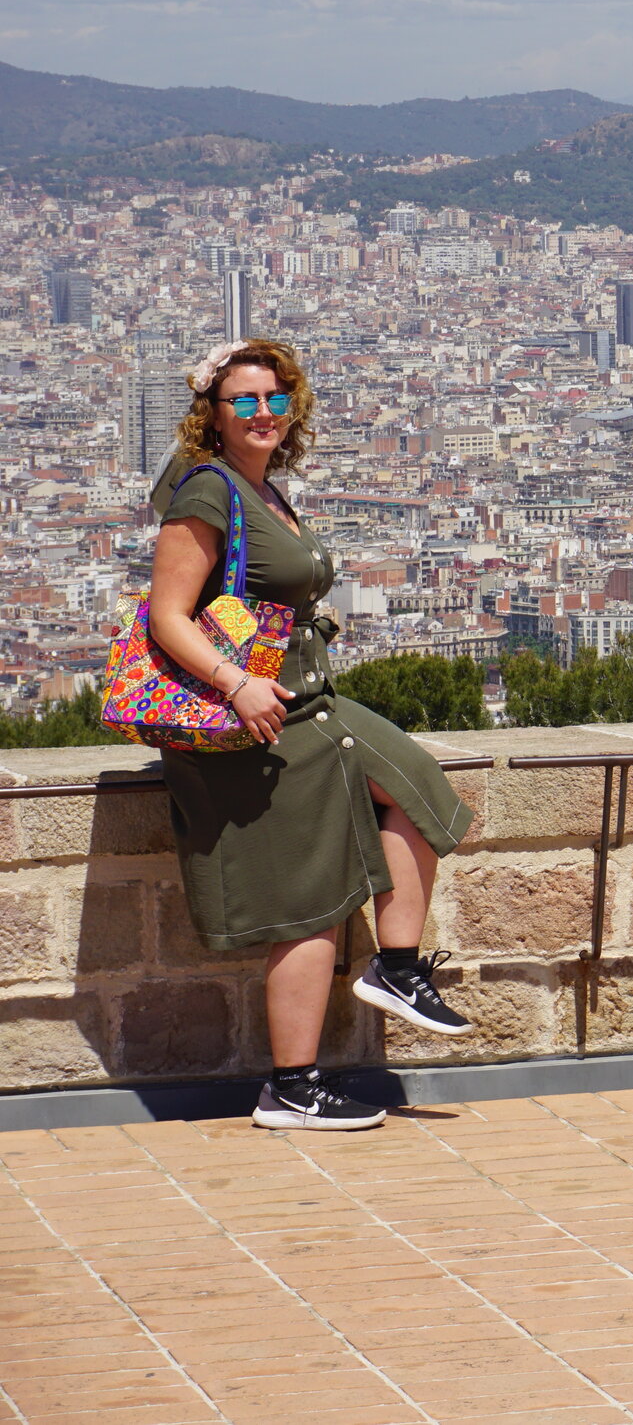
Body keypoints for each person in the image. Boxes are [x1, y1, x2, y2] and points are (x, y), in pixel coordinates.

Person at [146, 339, 478, 1130]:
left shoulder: (265, 491)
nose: (262, 413)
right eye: (244, 402)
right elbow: (167, 615)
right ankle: (291, 1086)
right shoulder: (206, 493)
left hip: (307, 699)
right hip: (256, 715)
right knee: (310, 896)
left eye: (274, 399)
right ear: (213, 416)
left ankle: (395, 967)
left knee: (421, 791)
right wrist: (236, 682)